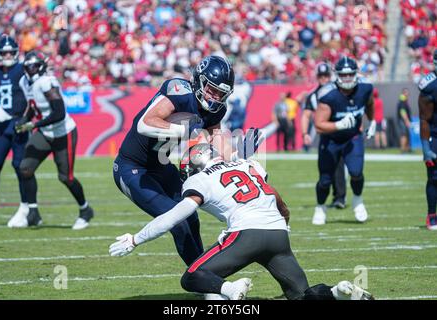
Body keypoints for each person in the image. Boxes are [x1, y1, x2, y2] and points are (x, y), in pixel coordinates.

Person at [109, 143, 374, 301]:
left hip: (247, 235)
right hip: (278, 235)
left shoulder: (198, 180)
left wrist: (135, 239)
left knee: (191, 277)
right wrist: (285, 221)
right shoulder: (249, 165)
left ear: (192, 168)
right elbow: (278, 199)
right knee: (300, 295)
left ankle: (230, 289)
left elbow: (173, 217)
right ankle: (338, 292)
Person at [112, 55, 235, 266]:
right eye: (212, 90)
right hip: (132, 167)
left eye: (221, 93)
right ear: (199, 80)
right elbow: (144, 124)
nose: (215, 98)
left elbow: (218, 142)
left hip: (161, 166)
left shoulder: (216, 110)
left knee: (191, 216)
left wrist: (237, 163)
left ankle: (204, 275)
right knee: (177, 222)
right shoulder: (179, 92)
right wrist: (187, 129)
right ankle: (202, 278)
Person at [12, 51, 94, 229]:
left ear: (40, 67)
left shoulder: (48, 82)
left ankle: (85, 209)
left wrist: (33, 125)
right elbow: (31, 106)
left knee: (66, 177)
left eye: (33, 67)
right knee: (25, 169)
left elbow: (59, 113)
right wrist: (24, 121)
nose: (29, 71)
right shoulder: (24, 82)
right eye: (27, 67)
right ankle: (33, 213)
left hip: (63, 133)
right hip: (44, 132)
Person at [312, 56, 375, 225]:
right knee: (325, 179)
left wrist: (373, 120)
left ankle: (358, 200)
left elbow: (369, 103)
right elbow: (318, 125)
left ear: (356, 74)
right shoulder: (328, 94)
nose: (347, 78)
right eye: (343, 75)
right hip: (330, 140)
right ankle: (320, 207)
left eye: (350, 74)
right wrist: (338, 125)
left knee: (356, 172)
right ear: (337, 75)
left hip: (352, 137)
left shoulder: (365, 87)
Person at [0, 35, 29, 221]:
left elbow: (31, 96)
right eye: (4, 52)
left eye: (11, 51)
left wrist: (27, 118)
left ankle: (25, 207)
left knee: (19, 166)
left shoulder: (22, 70)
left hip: (19, 122)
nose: (8, 54)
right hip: (2, 123)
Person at [302, 62, 347, 209]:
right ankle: (326, 198)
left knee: (339, 165)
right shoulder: (313, 96)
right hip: (325, 135)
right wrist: (305, 133)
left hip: (339, 133)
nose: (324, 78)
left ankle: (340, 197)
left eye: (326, 75)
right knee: (325, 168)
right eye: (321, 76)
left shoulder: (339, 90)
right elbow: (306, 115)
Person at [417, 48, 437, 230]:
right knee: (434, 178)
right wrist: (426, 149)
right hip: (435, 135)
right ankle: (432, 215)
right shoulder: (429, 86)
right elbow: (424, 118)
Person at [397, 88, 412, 153]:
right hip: (403, 121)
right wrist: (407, 121)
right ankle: (403, 150)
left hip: (404, 121)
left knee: (406, 134)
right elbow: (403, 112)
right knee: (404, 135)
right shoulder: (402, 100)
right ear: (403, 93)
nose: (408, 94)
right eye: (406, 92)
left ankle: (407, 149)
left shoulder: (404, 100)